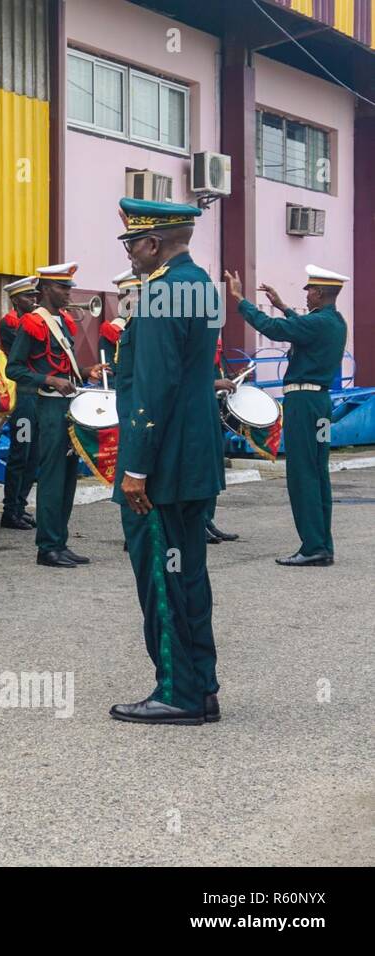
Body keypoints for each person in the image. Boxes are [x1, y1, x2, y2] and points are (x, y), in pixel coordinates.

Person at [111, 198, 223, 725]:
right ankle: (202, 686)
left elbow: (153, 388)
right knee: (190, 575)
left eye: (132, 243)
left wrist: (135, 467)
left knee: (161, 575)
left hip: (162, 467)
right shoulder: (202, 286)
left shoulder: (158, 295)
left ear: (153, 244)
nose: (130, 253)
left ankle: (176, 692)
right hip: (195, 457)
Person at [224, 264, 349, 567]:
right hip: (320, 404)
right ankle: (322, 544)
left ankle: (313, 546)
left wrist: (240, 300)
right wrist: (282, 306)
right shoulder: (334, 321)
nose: (306, 295)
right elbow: (303, 328)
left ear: (319, 293)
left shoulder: (317, 323)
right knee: (318, 473)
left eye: (309, 290)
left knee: (303, 474)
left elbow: (273, 329)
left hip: (304, 403)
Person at [6, 262, 97, 568]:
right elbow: (14, 368)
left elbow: (61, 366)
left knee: (69, 476)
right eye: (62, 287)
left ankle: (60, 541)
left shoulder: (62, 321)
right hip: (47, 406)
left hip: (68, 405)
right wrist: (50, 380)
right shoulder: (33, 322)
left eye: (69, 287)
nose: (68, 293)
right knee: (53, 476)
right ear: (45, 290)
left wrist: (85, 371)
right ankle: (46, 547)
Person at [0, 276, 40, 530]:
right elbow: (31, 353)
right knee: (20, 452)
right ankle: (9, 510)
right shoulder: (11, 323)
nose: (33, 300)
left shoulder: (34, 321)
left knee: (33, 453)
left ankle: (20, 506)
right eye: (27, 297)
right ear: (15, 300)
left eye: (35, 296)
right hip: (22, 394)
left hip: (35, 395)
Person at [205, 336, 240, 544]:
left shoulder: (214, 349)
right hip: (196, 416)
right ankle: (197, 522)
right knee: (202, 471)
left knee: (215, 471)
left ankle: (208, 520)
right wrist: (215, 383)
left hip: (214, 415)